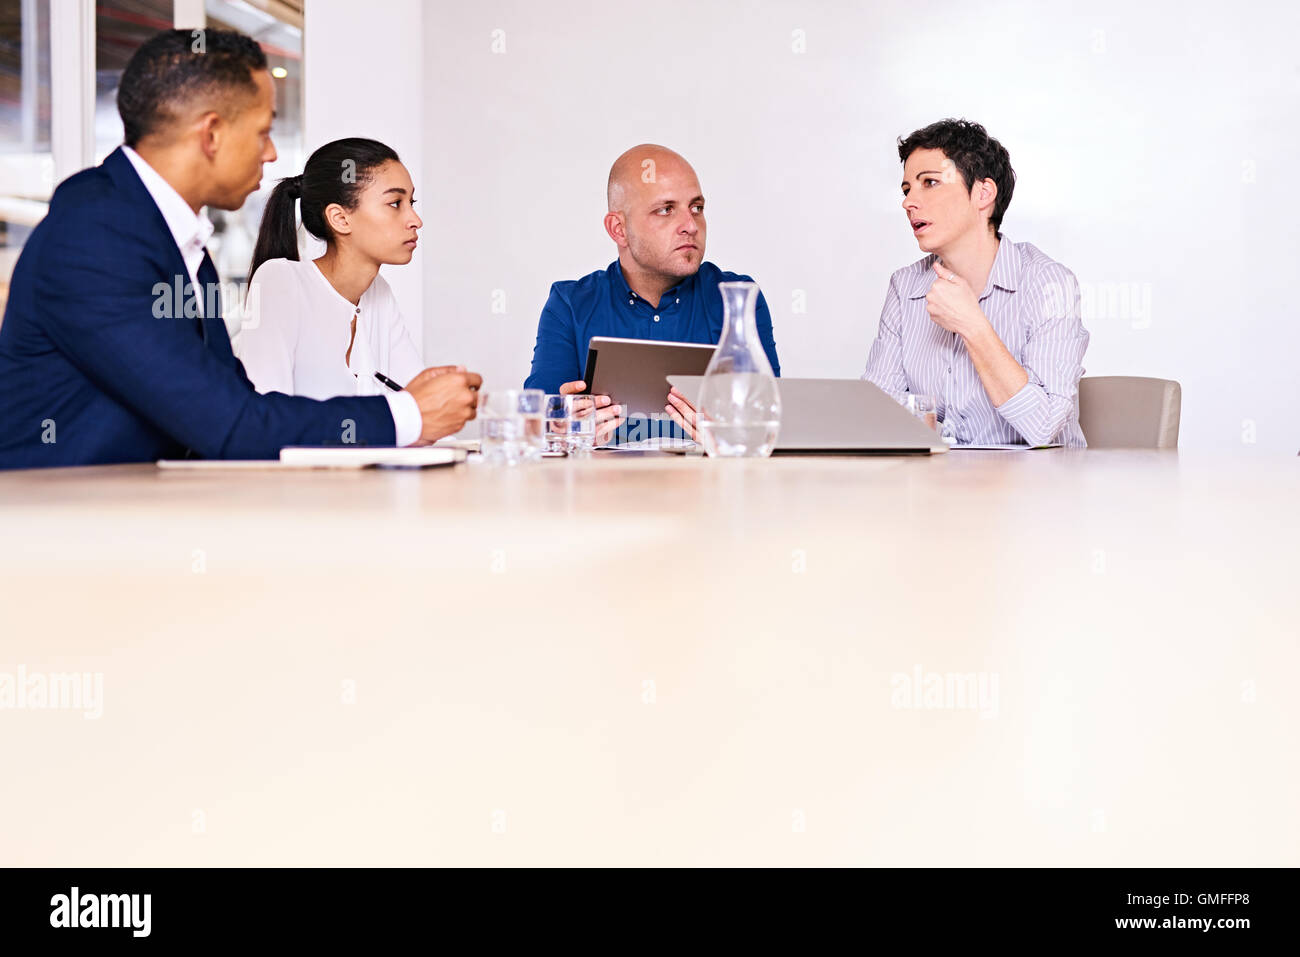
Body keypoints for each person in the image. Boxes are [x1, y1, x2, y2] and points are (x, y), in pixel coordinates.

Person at [0, 29, 479, 470]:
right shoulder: (94, 237)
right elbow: (226, 424)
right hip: (58, 526)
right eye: (263, 132)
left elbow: (235, 405)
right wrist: (407, 416)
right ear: (210, 135)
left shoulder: (182, 246)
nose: (271, 154)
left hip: (137, 512)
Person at [524, 144, 780, 442]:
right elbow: (535, 427)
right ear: (618, 229)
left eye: (696, 208)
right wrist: (560, 428)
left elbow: (772, 426)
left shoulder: (737, 299)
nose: (690, 226)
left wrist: (734, 436)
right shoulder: (569, 304)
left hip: (709, 488)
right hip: (601, 489)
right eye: (666, 210)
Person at [862, 119, 1090, 447]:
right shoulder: (905, 287)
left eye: (930, 182)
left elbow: (1043, 427)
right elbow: (876, 415)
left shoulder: (1050, 283)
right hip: (938, 490)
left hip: (1038, 491)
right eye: (907, 189)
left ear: (983, 194)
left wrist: (972, 325)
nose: (908, 202)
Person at [234, 138, 428, 400]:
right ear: (340, 218)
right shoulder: (281, 282)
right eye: (395, 203)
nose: (415, 221)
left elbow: (420, 405)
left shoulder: (378, 293)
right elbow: (266, 419)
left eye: (411, 204)